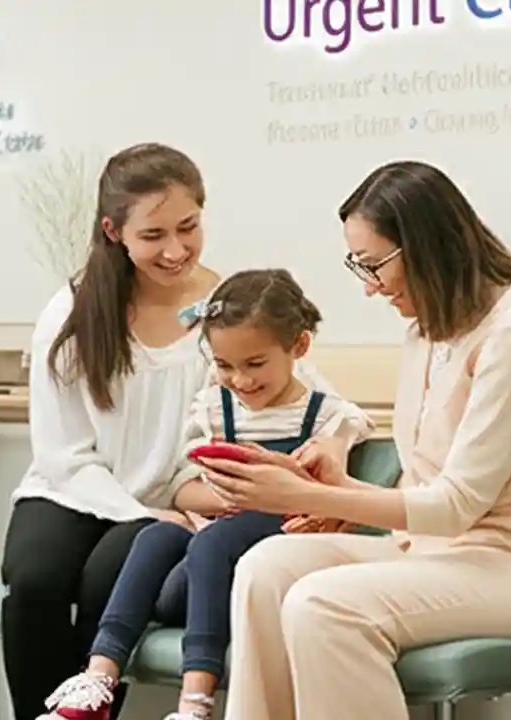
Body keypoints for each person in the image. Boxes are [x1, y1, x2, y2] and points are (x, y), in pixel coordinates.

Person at [197, 161, 511, 720]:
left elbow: (455, 506)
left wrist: (308, 497)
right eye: (359, 265)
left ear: (429, 246)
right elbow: (423, 483)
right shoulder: (426, 331)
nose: (371, 286)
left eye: (375, 264)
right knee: (265, 568)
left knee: (322, 605)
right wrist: (333, 487)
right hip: (425, 553)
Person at [1, 143, 334, 720]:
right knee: (34, 583)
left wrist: (330, 444)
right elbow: (62, 455)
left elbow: (298, 384)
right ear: (114, 231)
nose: (176, 250)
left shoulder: (227, 306)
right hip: (76, 488)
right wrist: (142, 513)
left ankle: (92, 708)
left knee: (109, 577)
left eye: (189, 227)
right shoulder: (72, 311)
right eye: (154, 235)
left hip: (173, 496)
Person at [36, 270, 374, 720]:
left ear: (299, 348)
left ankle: (195, 703)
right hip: (198, 572)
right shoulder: (213, 409)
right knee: (154, 537)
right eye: (225, 365)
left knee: (212, 542)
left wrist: (334, 444)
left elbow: (354, 428)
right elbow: (180, 487)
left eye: (255, 364)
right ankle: (98, 676)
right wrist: (217, 499)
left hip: (259, 556)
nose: (240, 380)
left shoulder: (323, 415)